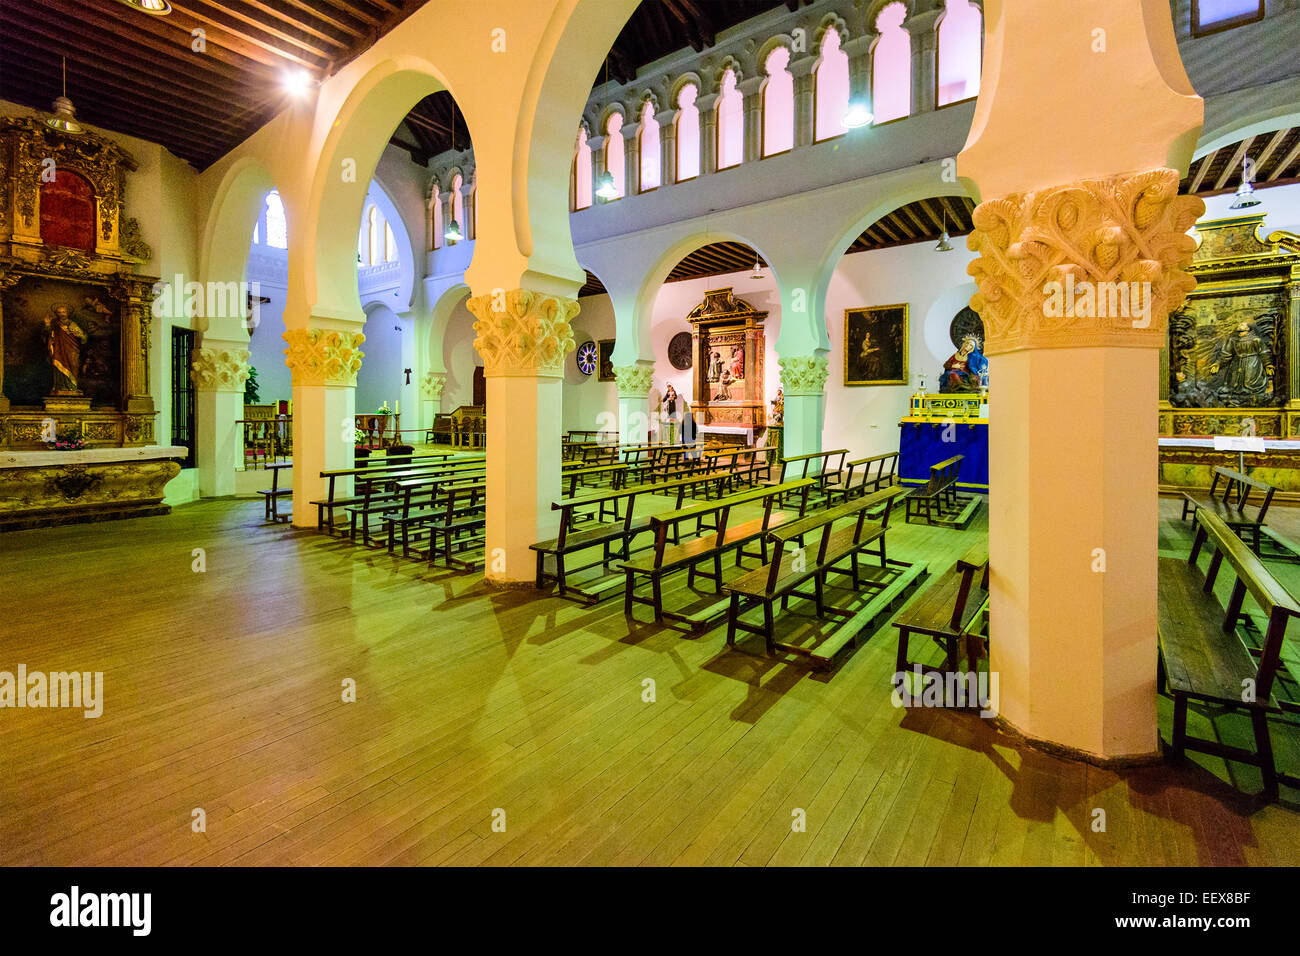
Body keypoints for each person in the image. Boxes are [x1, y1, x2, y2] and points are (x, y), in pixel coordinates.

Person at [44, 304, 87, 395]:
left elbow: (83, 337)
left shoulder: (72, 324)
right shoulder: (54, 323)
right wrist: (47, 324)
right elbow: (47, 334)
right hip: (58, 350)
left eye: (64, 312)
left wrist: (80, 335)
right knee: (58, 365)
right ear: (56, 314)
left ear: (67, 313)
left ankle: (73, 387)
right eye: (59, 312)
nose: (62, 314)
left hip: (72, 348)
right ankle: (60, 387)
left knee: (74, 365)